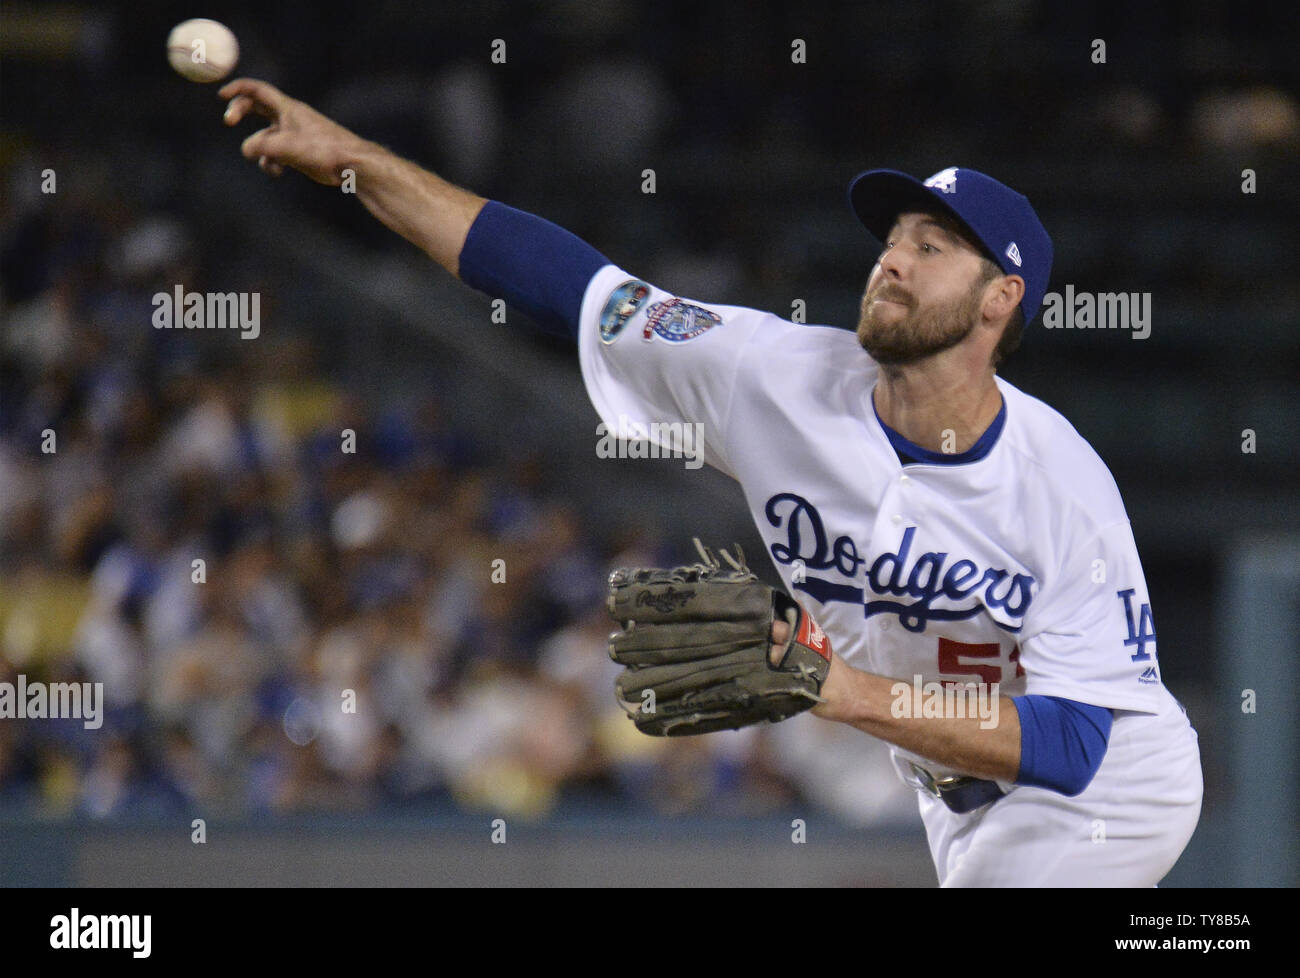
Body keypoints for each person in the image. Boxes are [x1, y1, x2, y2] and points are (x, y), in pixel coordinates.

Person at [219, 79, 1203, 886]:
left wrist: (846, 692)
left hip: (1106, 795)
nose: (891, 262)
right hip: (950, 798)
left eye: (931, 247)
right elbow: (565, 284)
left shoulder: (1060, 483)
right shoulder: (768, 374)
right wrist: (351, 160)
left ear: (1000, 300)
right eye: (892, 238)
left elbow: (1074, 743)